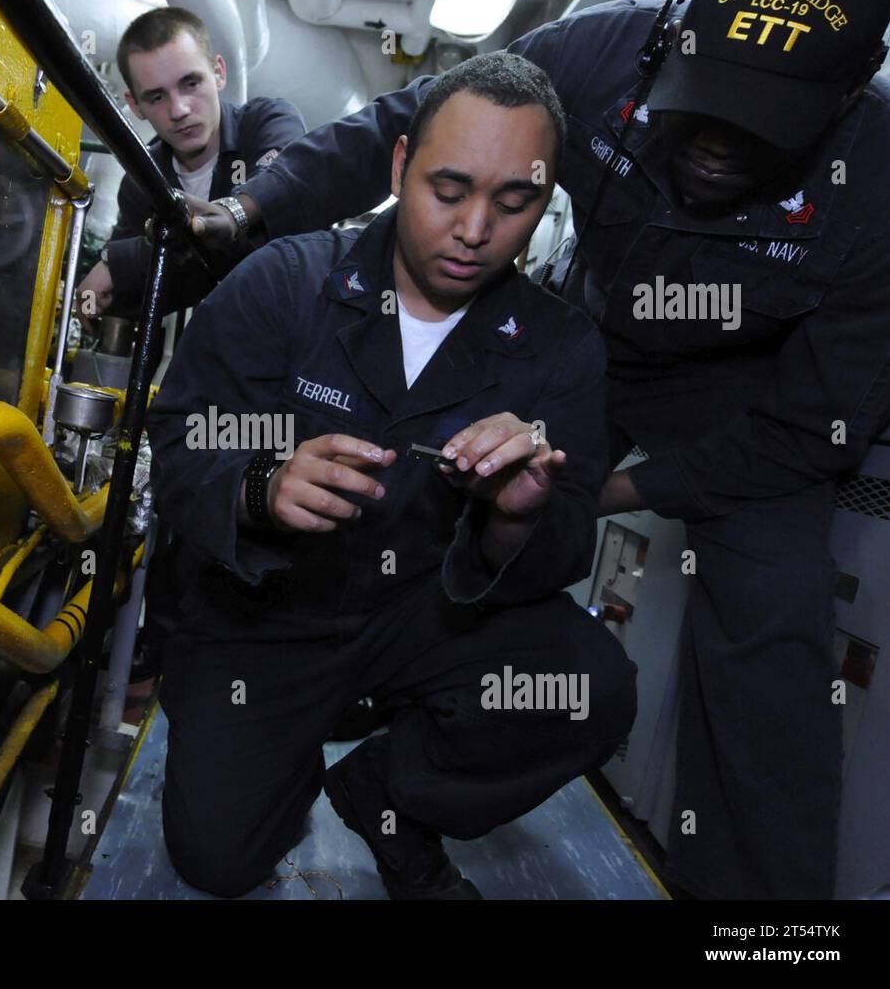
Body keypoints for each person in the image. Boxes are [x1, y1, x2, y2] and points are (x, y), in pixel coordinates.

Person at [186, 0, 890, 900]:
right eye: (704, 105)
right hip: (590, 332)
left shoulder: (875, 183)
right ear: (670, 40)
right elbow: (422, 117)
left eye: (759, 126)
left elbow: (811, 431)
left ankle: (766, 927)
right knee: (457, 499)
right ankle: (362, 683)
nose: (717, 146)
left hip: (736, 391)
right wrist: (253, 206)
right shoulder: (601, 51)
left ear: (845, 99)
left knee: (774, 611)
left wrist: (592, 492)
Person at [145, 53, 637, 900]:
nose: (475, 228)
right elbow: (184, 442)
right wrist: (262, 486)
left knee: (586, 687)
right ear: (401, 164)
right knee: (217, 859)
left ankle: (387, 791)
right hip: (268, 614)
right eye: (449, 189)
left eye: (513, 203)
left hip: (426, 610)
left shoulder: (563, 349)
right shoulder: (285, 284)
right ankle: (279, 755)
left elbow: (562, 551)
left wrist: (516, 516)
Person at [74, 6, 304, 323]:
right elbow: (142, 294)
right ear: (135, 106)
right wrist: (105, 293)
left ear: (218, 72)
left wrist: (118, 261)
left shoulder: (268, 124)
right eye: (157, 97)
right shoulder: (141, 183)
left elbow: (270, 207)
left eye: (191, 83)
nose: (179, 110)